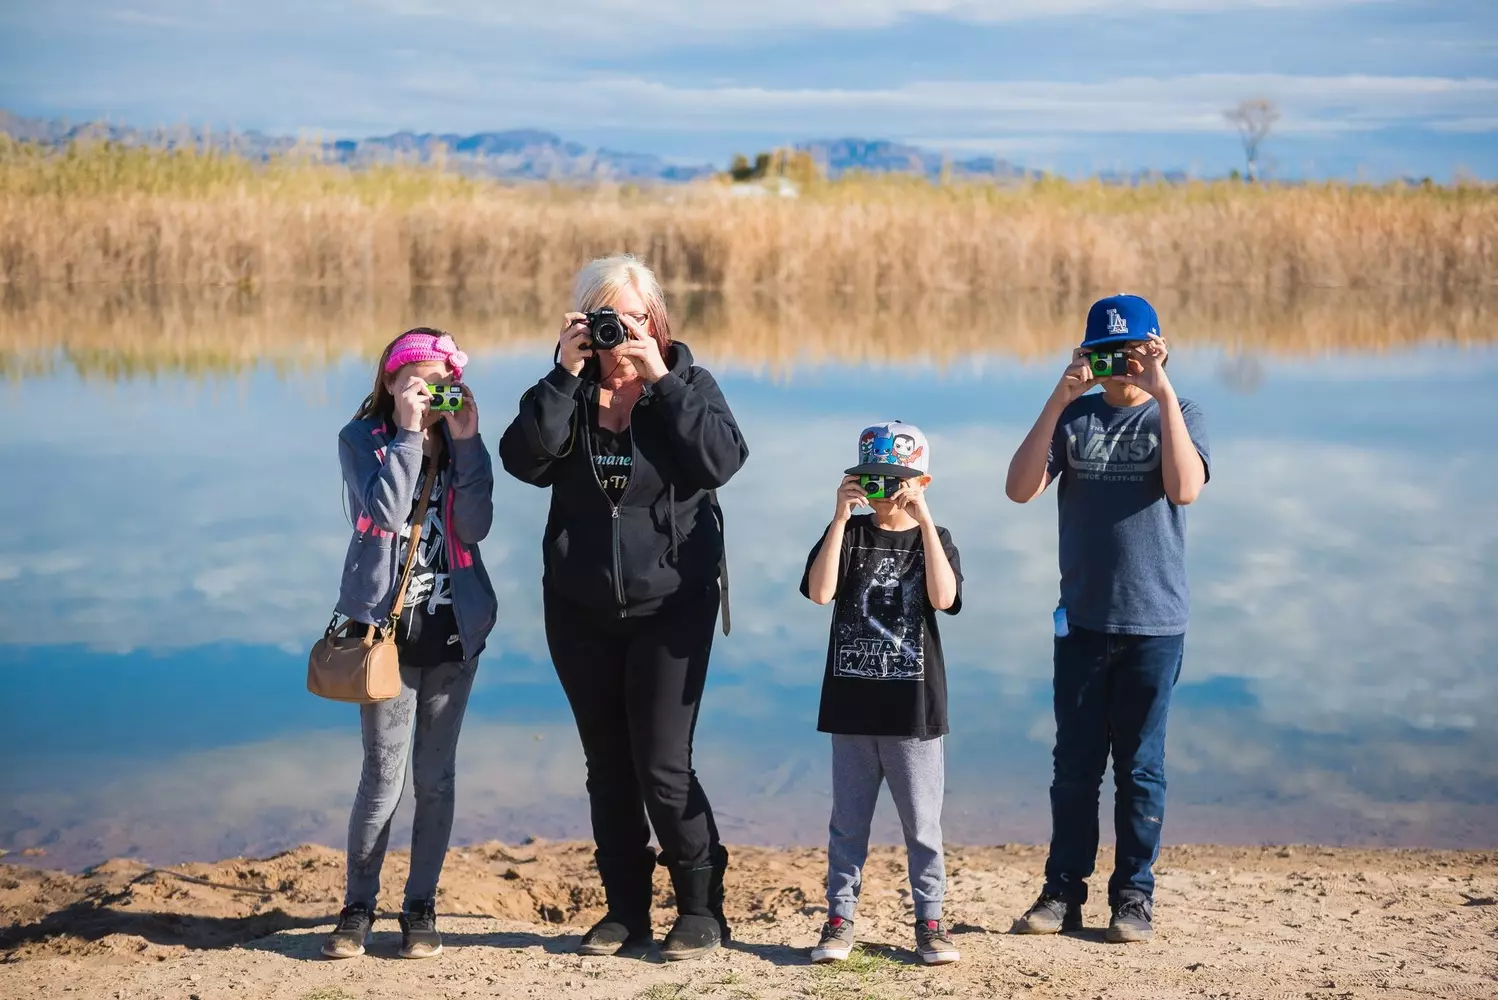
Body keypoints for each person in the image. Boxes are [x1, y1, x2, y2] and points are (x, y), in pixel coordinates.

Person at [498, 254, 749, 961]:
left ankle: (701, 908)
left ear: (655, 320)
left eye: (631, 319)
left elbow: (721, 462)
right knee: (607, 767)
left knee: (664, 768)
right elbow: (523, 460)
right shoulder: (566, 391)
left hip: (673, 606)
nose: (618, 334)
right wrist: (562, 373)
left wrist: (660, 380)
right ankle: (625, 912)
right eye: (603, 319)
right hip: (578, 610)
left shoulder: (689, 385)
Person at [1004, 294, 1209, 944]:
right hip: (1084, 621)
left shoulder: (1183, 412)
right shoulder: (1077, 415)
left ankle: (1133, 899)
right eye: (1106, 354)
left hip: (1154, 623)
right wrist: (1059, 399)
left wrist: (1164, 393)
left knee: (1141, 770)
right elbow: (1017, 488)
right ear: (1088, 354)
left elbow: (1185, 488)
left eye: (1133, 352)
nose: (1121, 366)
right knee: (1074, 768)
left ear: (1157, 347)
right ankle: (1061, 893)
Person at [321, 328, 498, 961]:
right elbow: (387, 515)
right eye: (416, 383)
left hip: (454, 633)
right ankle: (357, 908)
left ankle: (420, 906)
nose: (429, 395)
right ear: (390, 383)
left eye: (439, 385)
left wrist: (469, 441)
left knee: (436, 779)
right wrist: (404, 433)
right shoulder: (360, 439)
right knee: (382, 779)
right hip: (385, 638)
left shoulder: (459, 440)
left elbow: (475, 526)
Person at [800, 422, 963, 966]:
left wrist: (926, 521)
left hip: (914, 712)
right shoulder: (844, 534)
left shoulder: (935, 540)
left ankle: (931, 924)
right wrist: (842, 518)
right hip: (852, 710)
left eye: (897, 482)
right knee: (848, 826)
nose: (886, 492)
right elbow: (821, 594)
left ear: (922, 481)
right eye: (875, 480)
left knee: (923, 827)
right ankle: (839, 921)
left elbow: (943, 598)